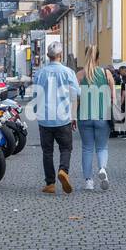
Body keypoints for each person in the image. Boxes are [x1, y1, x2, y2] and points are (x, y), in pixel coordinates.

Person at [33, 40, 79, 193]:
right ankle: (63, 170)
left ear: (48, 55)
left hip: (45, 119)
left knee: (47, 151)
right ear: (61, 55)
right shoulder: (68, 72)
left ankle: (50, 183)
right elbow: (76, 94)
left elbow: (35, 95)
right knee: (66, 148)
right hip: (63, 118)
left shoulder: (40, 73)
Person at [76, 46, 115, 191]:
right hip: (102, 116)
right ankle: (102, 169)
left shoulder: (79, 75)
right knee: (102, 147)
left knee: (86, 148)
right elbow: (113, 97)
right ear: (98, 57)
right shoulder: (106, 73)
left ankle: (88, 182)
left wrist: (73, 116)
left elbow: (74, 98)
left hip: (84, 116)